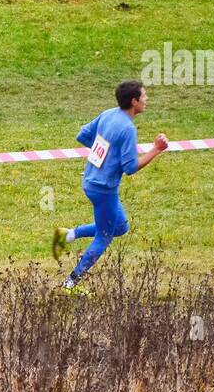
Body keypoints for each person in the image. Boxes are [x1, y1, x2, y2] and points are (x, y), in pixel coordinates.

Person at [51, 80, 169, 291]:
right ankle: (71, 283)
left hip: (90, 180)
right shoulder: (127, 129)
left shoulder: (108, 114)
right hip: (103, 189)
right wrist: (157, 149)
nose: (147, 99)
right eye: (144, 96)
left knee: (121, 227)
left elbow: (83, 135)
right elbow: (130, 167)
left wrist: (105, 156)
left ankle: (68, 235)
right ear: (134, 101)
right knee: (104, 236)